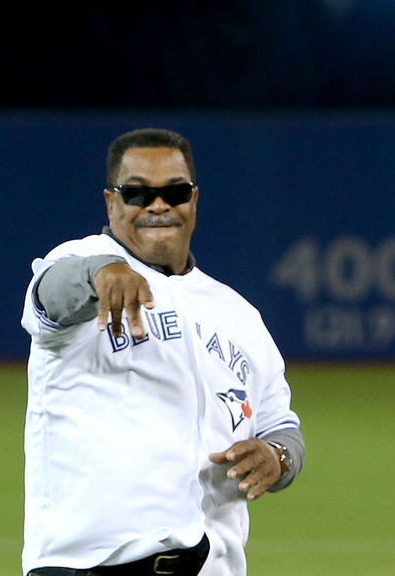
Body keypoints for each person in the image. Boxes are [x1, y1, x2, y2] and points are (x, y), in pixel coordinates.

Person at [20, 127, 305, 576]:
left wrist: (277, 457)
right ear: (111, 202)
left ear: (194, 200)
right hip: (91, 565)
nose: (158, 205)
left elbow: (282, 429)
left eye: (175, 192)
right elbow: (50, 294)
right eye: (138, 193)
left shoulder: (239, 315)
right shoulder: (80, 261)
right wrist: (99, 272)